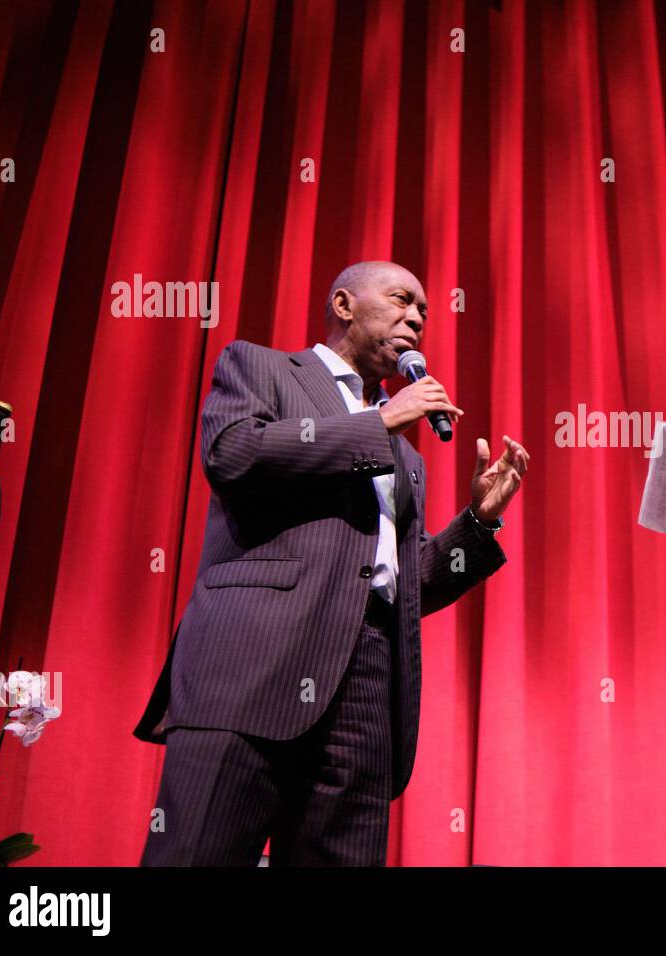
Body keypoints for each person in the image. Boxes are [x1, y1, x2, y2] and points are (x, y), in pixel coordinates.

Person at [134, 260, 529, 866]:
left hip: (368, 680)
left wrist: (478, 522)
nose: (417, 320)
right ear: (344, 305)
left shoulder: (406, 456)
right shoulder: (262, 366)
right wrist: (378, 422)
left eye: (424, 311)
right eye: (402, 301)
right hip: (251, 665)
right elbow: (232, 454)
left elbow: (409, 583)